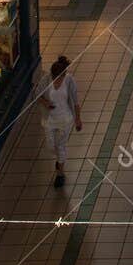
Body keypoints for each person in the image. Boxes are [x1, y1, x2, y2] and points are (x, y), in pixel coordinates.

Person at [40, 56, 82, 189]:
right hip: (50, 119)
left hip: (65, 119)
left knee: (61, 146)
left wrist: (78, 119)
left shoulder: (69, 81)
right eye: (55, 77)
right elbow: (37, 94)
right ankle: (59, 159)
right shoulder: (46, 79)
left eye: (59, 77)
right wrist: (46, 103)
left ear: (64, 75)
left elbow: (75, 101)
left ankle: (60, 173)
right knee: (51, 146)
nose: (56, 80)